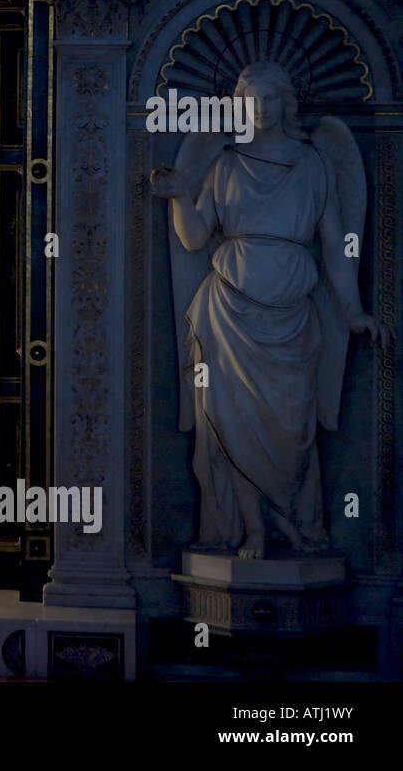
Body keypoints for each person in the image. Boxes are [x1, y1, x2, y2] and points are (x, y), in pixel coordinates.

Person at [151, 61, 391, 559]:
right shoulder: (226, 163)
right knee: (229, 422)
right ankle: (252, 530)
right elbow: (195, 237)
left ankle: (294, 526)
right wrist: (178, 197)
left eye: (269, 100)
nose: (259, 109)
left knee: (290, 429)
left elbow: (335, 248)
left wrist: (352, 309)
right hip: (228, 313)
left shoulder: (314, 164)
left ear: (287, 104)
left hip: (291, 316)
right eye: (252, 100)